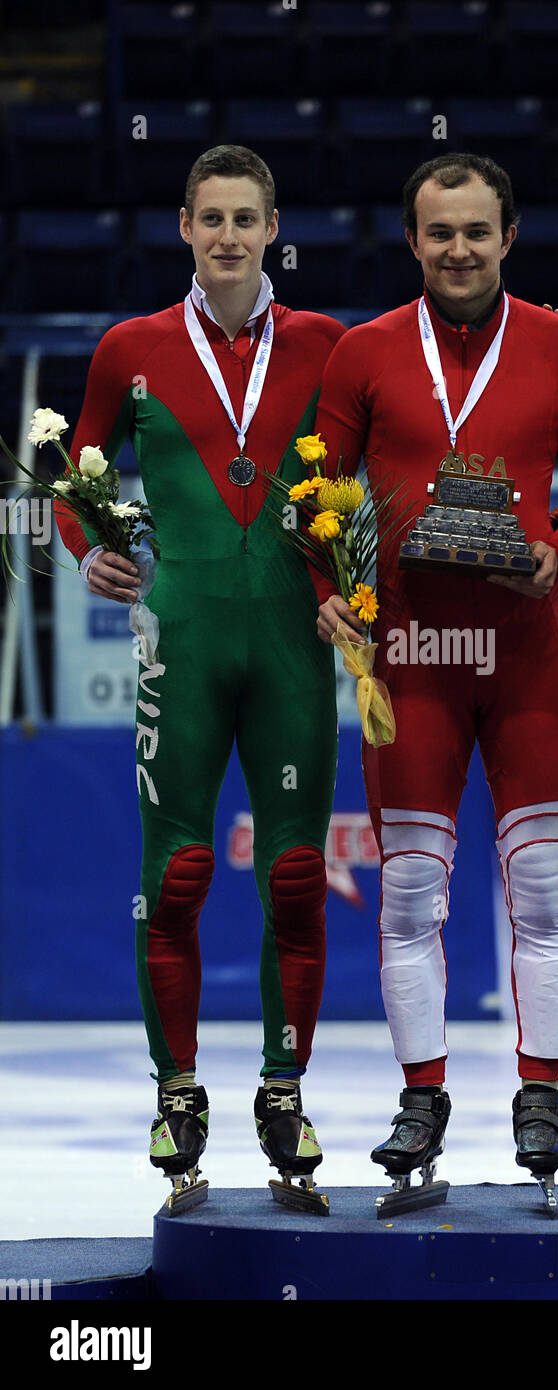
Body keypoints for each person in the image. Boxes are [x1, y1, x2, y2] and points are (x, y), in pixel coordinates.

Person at [310, 152, 558, 1210]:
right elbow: (323, 494)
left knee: (540, 889)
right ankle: (422, 1095)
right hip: (414, 659)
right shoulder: (362, 352)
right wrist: (334, 587)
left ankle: (541, 1094)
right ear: (412, 240)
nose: (458, 250)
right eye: (440, 233)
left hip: (529, 647)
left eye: (476, 231)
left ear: (509, 235)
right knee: (407, 892)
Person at [55, 145, 345, 1213]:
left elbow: (363, 481)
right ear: (183, 226)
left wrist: (351, 580)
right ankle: (177, 1092)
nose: (227, 235)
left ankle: (283, 1088)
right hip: (176, 641)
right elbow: (71, 474)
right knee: (175, 875)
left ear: (275, 229)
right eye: (210, 217)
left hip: (290, 641)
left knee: (295, 874)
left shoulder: (325, 344)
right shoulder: (128, 348)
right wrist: (90, 555)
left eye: (246, 218)